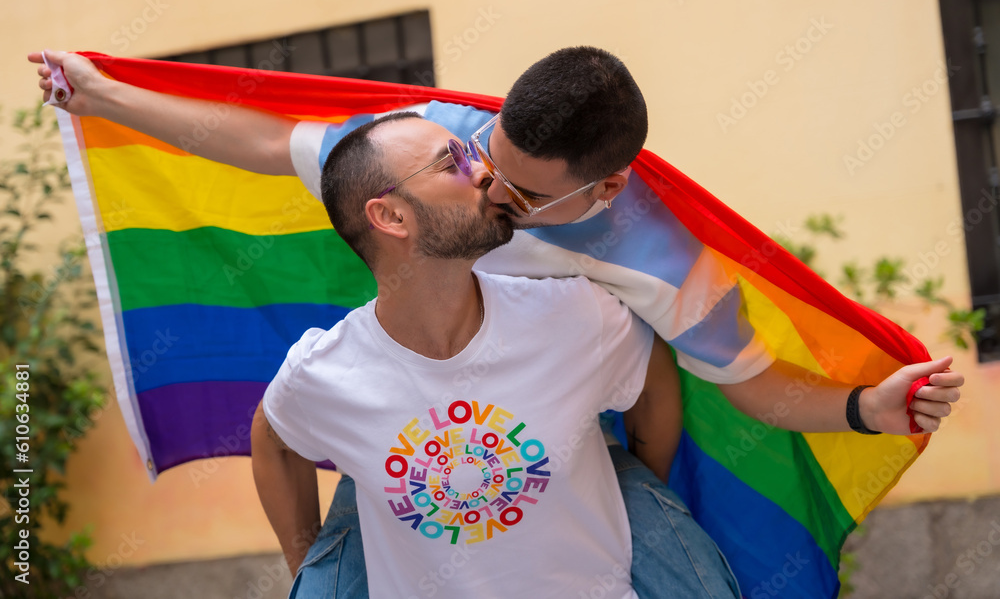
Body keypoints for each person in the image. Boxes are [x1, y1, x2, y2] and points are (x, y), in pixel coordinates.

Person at [30, 47, 964, 597]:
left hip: (568, 451)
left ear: (602, 190)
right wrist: (102, 92)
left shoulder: (659, 264)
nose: (490, 185)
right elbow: (266, 142)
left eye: (521, 189)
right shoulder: (429, 150)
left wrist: (861, 407)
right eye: (483, 158)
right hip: (408, 436)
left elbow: (746, 384)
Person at [254, 111, 721, 598]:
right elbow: (274, 441)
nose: (484, 172)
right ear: (391, 216)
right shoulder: (322, 373)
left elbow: (652, 379)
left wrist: (641, 490)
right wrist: (308, 568)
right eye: (449, 162)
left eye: (472, 154)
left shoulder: (578, 315)